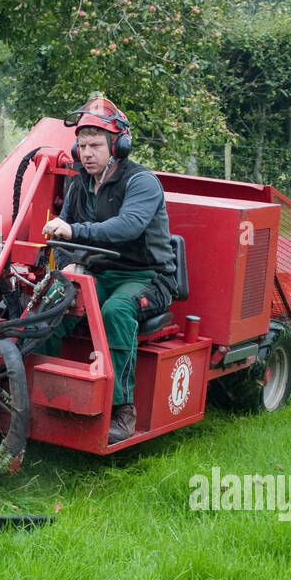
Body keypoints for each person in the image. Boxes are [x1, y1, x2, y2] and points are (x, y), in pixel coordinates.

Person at [40, 95, 174, 444]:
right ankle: (45, 393)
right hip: (98, 272)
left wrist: (74, 232)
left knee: (116, 311)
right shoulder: (78, 183)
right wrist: (68, 264)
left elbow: (126, 227)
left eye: (96, 145)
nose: (86, 153)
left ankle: (121, 411)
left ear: (118, 145)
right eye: (82, 145)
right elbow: (64, 236)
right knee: (55, 299)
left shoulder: (141, 182)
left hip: (146, 276)